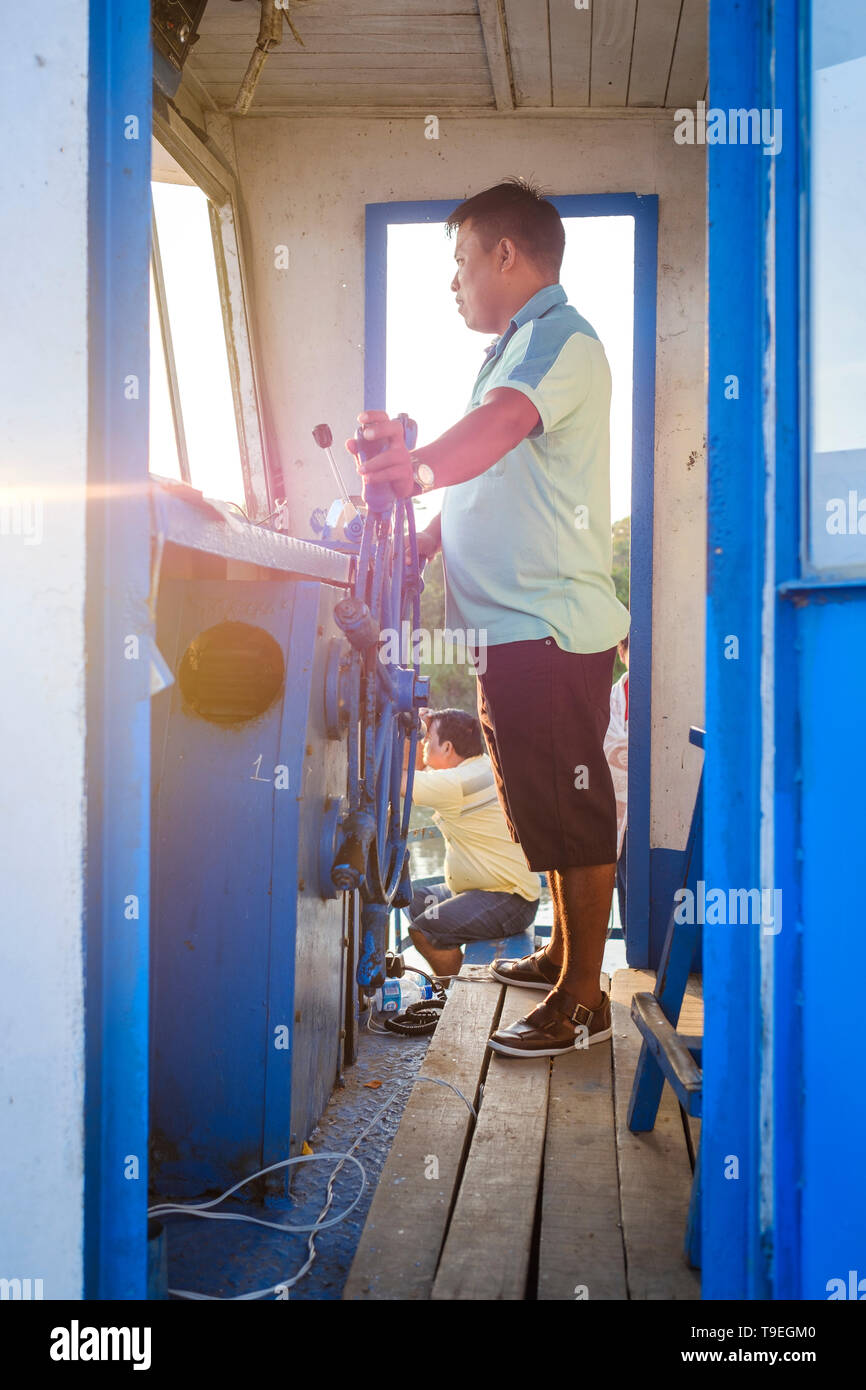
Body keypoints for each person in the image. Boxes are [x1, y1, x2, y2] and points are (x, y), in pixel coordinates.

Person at [347, 178, 630, 1058]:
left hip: (545, 626)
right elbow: (501, 477)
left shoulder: (560, 342)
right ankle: (561, 953)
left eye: (463, 261)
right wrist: (430, 537)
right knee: (539, 806)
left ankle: (585, 1000)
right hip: (511, 631)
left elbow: (500, 430)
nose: (456, 282)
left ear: (507, 255)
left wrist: (417, 470)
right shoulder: (515, 347)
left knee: (571, 810)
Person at [402, 708, 540, 981]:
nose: (425, 743)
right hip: (487, 889)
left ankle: (458, 993)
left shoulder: (456, 783)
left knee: (424, 931)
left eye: (428, 739)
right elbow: (417, 770)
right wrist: (422, 730)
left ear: (448, 747)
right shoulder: (479, 766)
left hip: (509, 901)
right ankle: (462, 970)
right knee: (413, 900)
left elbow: (399, 781)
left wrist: (412, 730)